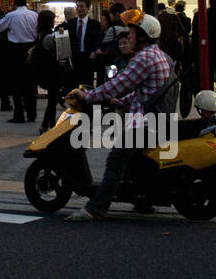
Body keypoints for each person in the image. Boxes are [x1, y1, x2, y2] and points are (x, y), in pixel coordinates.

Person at [65, 14, 175, 222]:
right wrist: (121, 102)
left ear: (143, 36)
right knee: (135, 160)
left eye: (133, 32)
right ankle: (144, 199)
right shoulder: (159, 55)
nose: (129, 36)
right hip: (157, 119)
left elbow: (119, 83)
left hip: (147, 122)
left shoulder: (143, 58)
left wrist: (88, 96)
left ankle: (95, 209)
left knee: (116, 159)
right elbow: (147, 91)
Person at [0, 0, 39, 124]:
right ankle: (32, 114)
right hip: (31, 49)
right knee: (31, 84)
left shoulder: (11, 15)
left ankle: (19, 114)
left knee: (16, 84)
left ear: (14, 2)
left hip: (15, 50)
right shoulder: (34, 15)